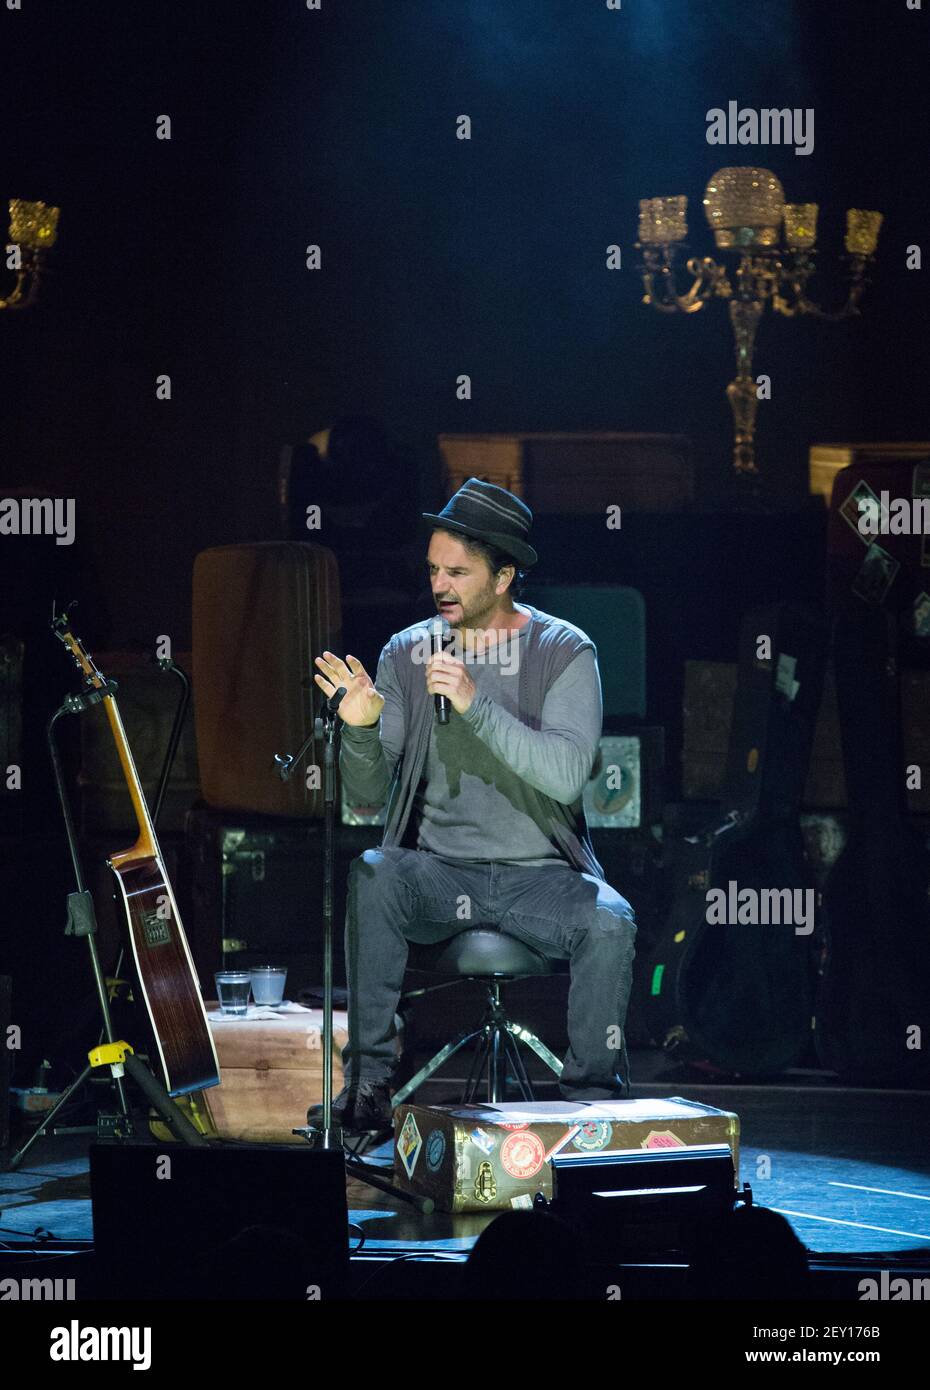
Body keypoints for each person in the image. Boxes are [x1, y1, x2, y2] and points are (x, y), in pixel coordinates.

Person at [307, 477, 637, 1132]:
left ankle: (590, 1103)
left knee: (611, 921)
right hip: (440, 873)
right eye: (434, 570)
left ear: (505, 574)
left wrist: (475, 703)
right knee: (372, 873)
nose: (441, 585)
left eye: (458, 571)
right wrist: (363, 730)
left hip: (540, 878)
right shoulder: (406, 652)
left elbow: (567, 775)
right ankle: (369, 1085)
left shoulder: (566, 650)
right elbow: (368, 800)